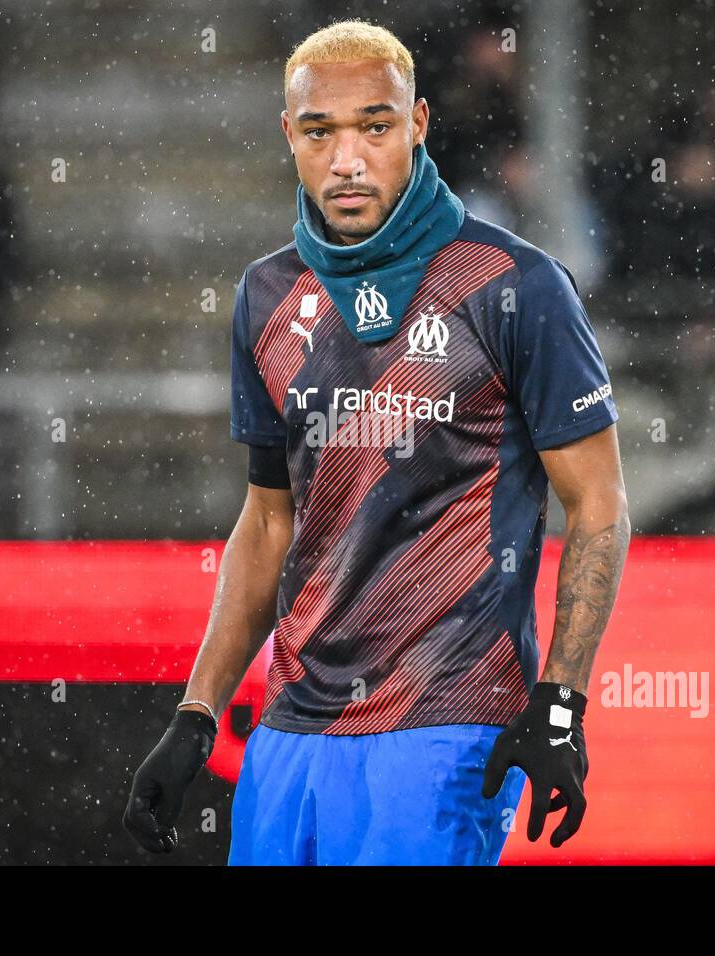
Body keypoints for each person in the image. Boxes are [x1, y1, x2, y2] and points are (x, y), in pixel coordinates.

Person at [123, 19, 630, 866]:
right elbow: (267, 525)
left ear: (420, 124)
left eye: (375, 126)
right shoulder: (266, 295)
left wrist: (559, 704)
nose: (347, 158)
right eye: (321, 132)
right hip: (289, 731)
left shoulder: (516, 286)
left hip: (445, 721)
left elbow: (600, 505)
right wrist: (196, 716)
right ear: (290, 134)